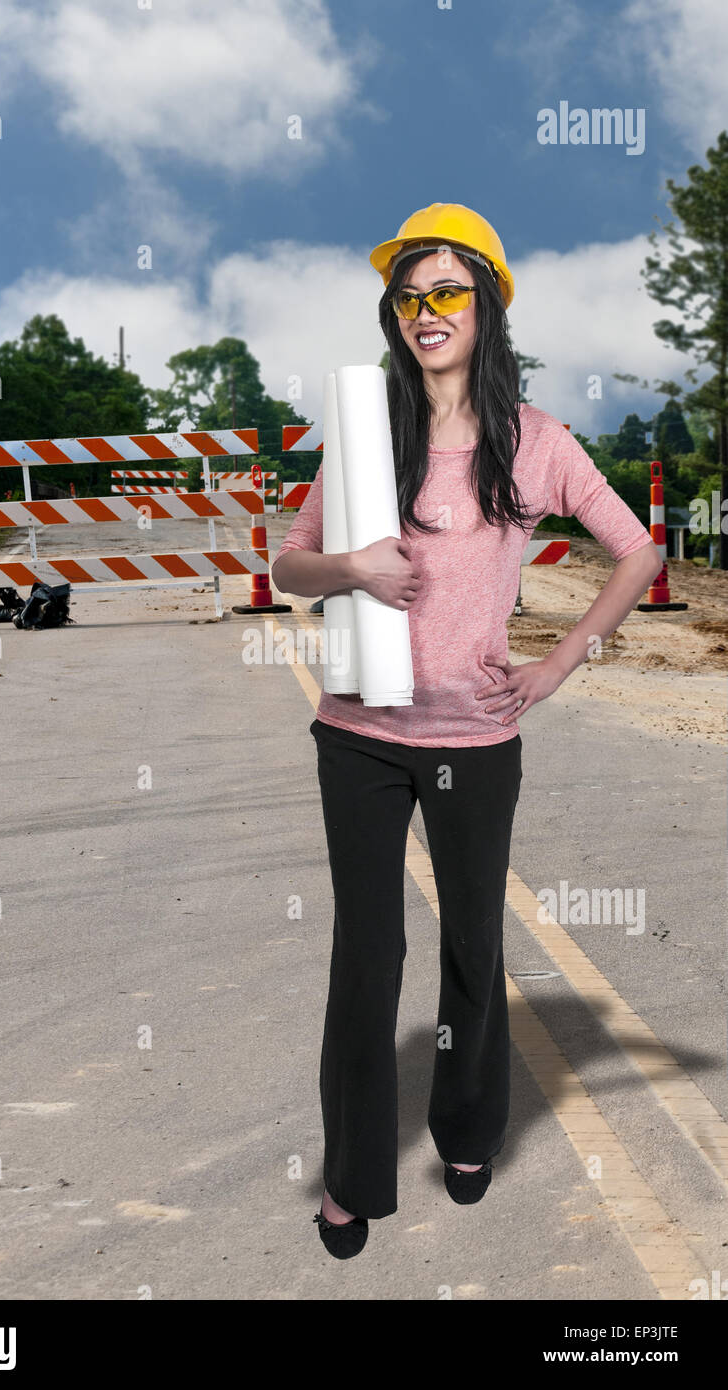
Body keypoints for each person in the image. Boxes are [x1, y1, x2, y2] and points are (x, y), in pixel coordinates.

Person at [270, 203, 662, 1259]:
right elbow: (286, 565)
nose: (424, 311)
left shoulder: (535, 443)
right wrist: (353, 567)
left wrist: (555, 663)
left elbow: (635, 550)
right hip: (355, 735)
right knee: (367, 954)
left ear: (483, 305)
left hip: (474, 743)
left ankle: (468, 1127)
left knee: (469, 946)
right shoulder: (365, 437)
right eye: (407, 294)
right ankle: (350, 1178)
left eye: (445, 291)